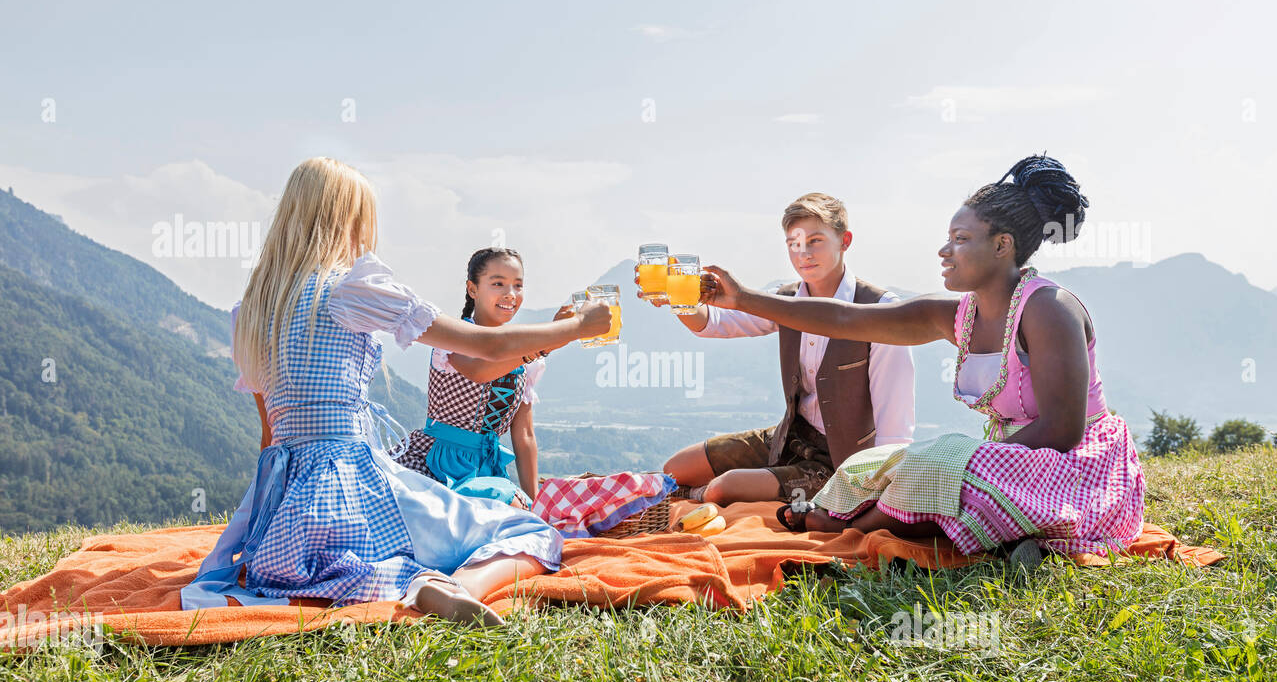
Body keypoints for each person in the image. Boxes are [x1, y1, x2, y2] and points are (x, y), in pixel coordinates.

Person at [181, 158, 611, 625]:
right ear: (349, 220)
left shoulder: (249, 312)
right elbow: (486, 347)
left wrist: (265, 521)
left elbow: (269, 439)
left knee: (338, 560)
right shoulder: (352, 290)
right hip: (351, 483)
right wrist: (575, 326)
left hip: (282, 511)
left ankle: (397, 577)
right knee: (532, 532)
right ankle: (450, 586)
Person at [698, 155, 1145, 569]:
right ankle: (999, 539)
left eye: (960, 239)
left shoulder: (1048, 308)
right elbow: (842, 316)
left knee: (940, 463)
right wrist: (743, 298)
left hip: (1076, 470)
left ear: (1002, 246)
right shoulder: (956, 315)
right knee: (877, 464)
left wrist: (967, 459)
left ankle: (844, 525)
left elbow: (1063, 431)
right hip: (1013, 462)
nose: (943, 251)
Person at [646, 193, 915, 507]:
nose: (803, 253)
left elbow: (896, 427)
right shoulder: (783, 301)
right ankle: (700, 498)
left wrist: (874, 493)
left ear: (845, 240)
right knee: (676, 468)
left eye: (815, 240)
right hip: (788, 438)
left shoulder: (881, 310)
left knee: (724, 488)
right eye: (793, 243)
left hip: (842, 464)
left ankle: (699, 502)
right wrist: (679, 300)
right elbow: (715, 323)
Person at [393, 247, 563, 508]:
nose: (510, 294)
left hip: (486, 471)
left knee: (523, 512)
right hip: (436, 463)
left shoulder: (527, 360)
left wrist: (537, 506)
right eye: (498, 284)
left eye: (518, 286)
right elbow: (480, 369)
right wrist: (551, 340)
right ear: (473, 289)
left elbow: (525, 436)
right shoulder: (455, 337)